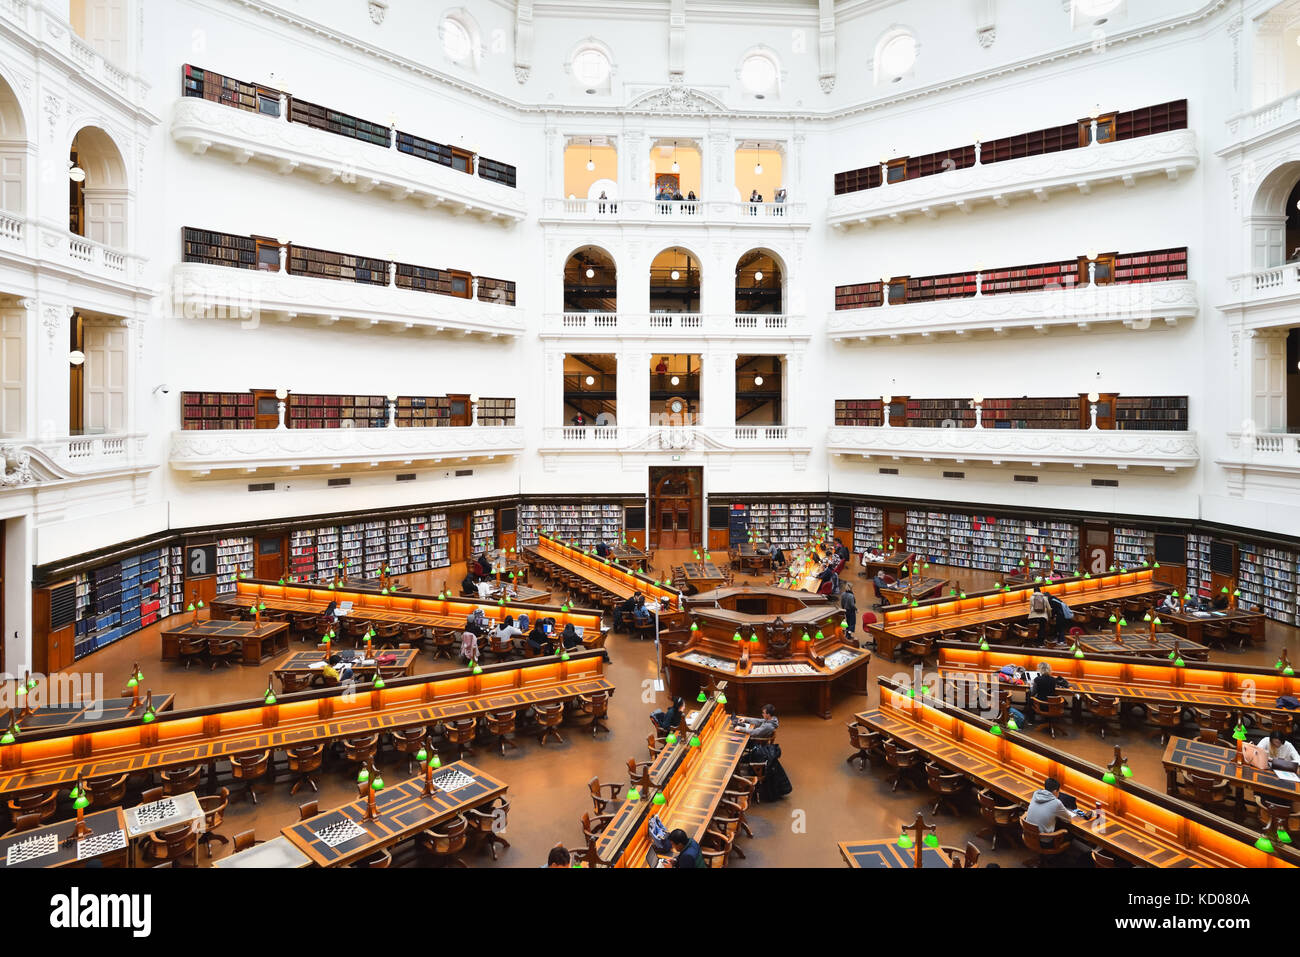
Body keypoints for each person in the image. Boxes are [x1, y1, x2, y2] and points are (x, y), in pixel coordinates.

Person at [1025, 777, 1091, 843]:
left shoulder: (1036, 794)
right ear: (1055, 791)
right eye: (1059, 791)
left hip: (1029, 834)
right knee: (1069, 833)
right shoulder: (1056, 803)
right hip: (1044, 840)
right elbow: (1068, 819)